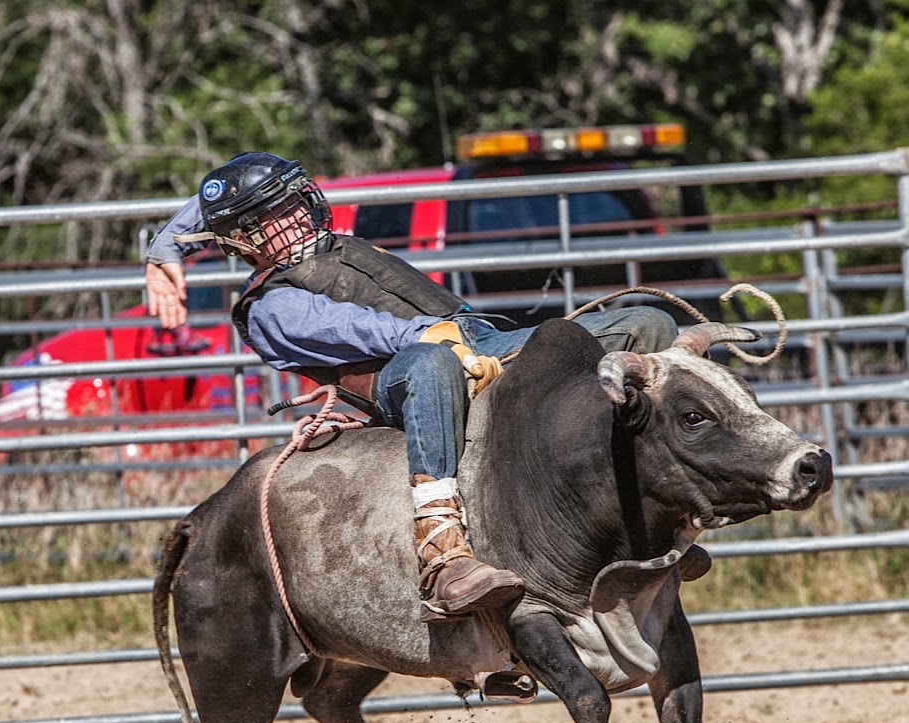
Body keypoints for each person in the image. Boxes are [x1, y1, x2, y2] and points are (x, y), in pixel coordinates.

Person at [145, 152, 678, 621]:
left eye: (294, 199)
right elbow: (356, 330)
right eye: (277, 213)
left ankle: (658, 504)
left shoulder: (325, 248)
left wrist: (164, 246)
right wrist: (428, 333)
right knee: (429, 363)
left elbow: (218, 201)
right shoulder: (273, 305)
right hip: (398, 372)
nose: (298, 211)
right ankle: (442, 548)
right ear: (245, 239)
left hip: (480, 339)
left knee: (647, 325)